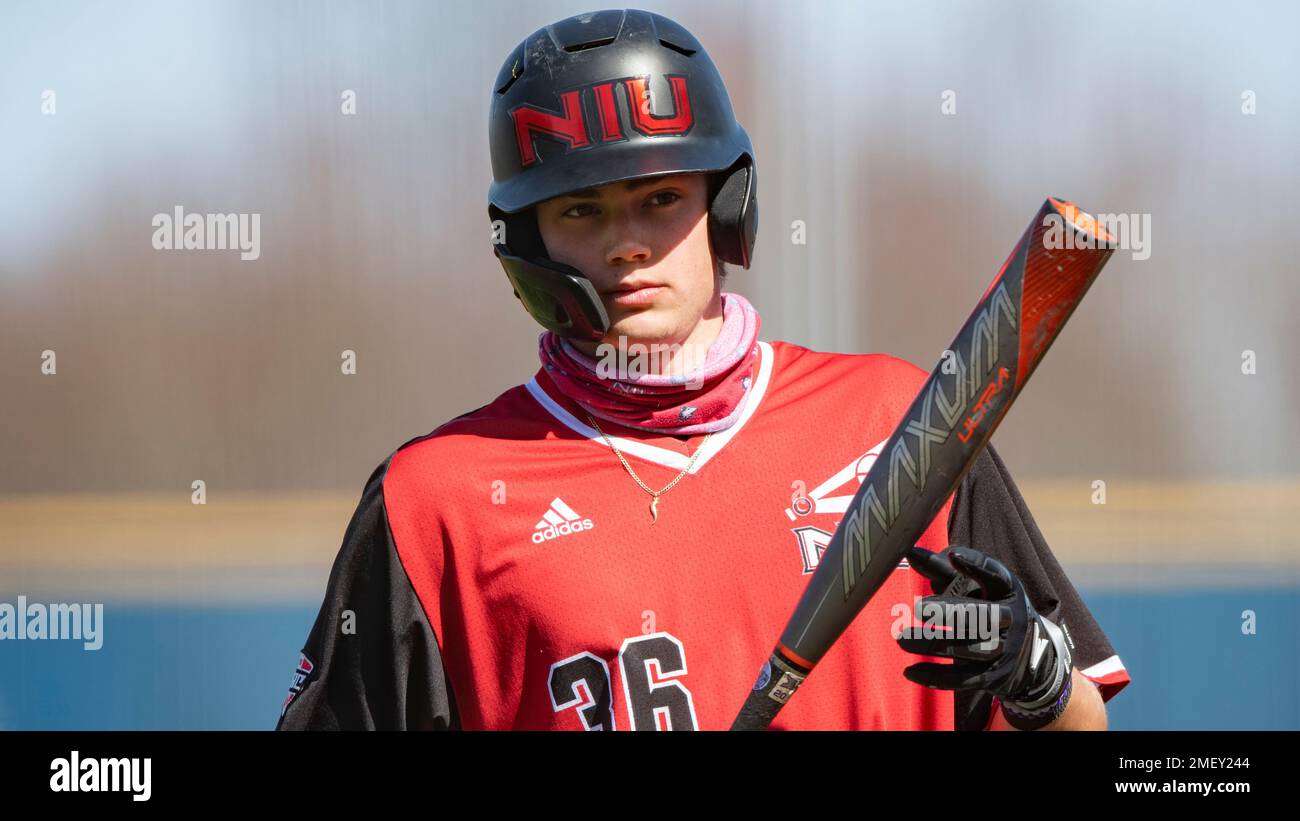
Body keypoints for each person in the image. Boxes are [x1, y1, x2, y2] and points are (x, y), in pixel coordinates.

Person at [276, 8, 1129, 731]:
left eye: (660, 197)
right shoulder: (437, 505)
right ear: (528, 245)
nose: (628, 242)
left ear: (725, 205)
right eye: (582, 209)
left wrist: (1037, 675)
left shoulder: (905, 421)